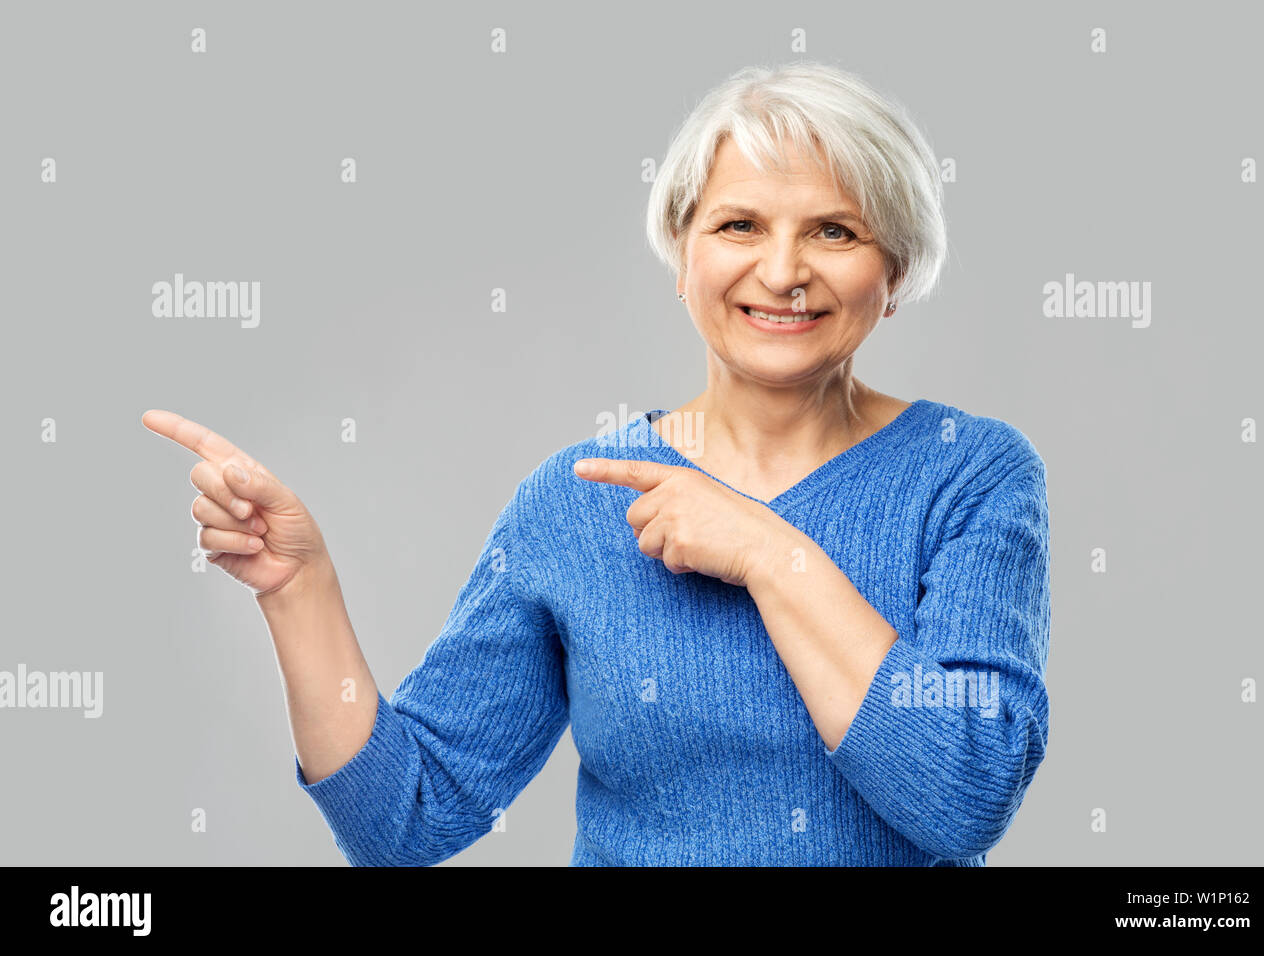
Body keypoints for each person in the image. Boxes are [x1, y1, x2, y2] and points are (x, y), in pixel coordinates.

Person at [143, 61, 1050, 866]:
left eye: (834, 233)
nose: (782, 271)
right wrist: (298, 589)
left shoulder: (969, 475)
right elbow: (403, 820)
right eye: (739, 224)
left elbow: (964, 797)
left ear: (892, 272)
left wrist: (770, 555)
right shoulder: (575, 502)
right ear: (682, 255)